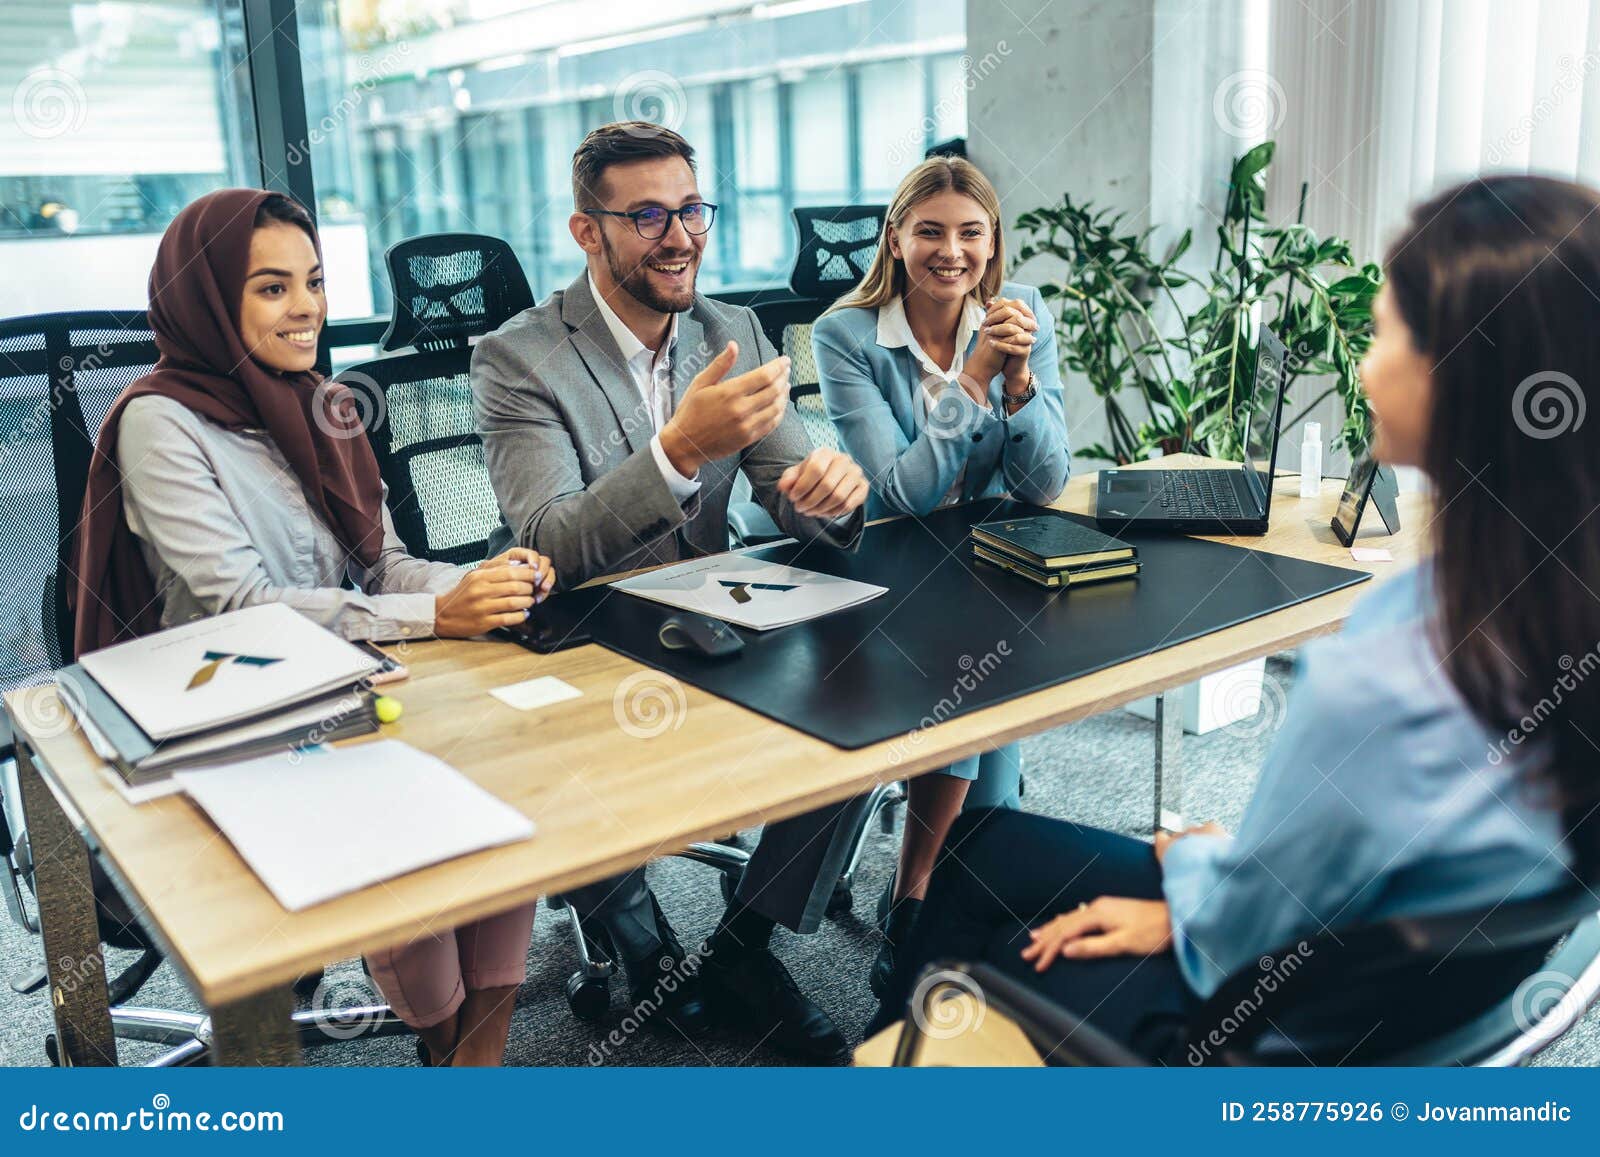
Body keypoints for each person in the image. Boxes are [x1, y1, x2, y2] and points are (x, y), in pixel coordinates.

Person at [867, 173, 1600, 1057]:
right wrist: (1226, 867)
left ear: (1466, 376)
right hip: (1383, 998)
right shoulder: (1553, 606)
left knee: (988, 895)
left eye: (1385, 331)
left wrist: (1193, 871)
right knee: (983, 840)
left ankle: (903, 1072)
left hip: (1241, 1028)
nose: (1363, 364)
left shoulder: (1387, 670)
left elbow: (1254, 917)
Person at [70, 188, 556, 1066]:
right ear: (209, 299)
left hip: (359, 683)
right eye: (270, 287)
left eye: (315, 282)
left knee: (504, 795)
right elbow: (241, 606)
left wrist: (478, 580)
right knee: (406, 851)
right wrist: (433, 613)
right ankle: (459, 1053)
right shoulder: (159, 421)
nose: (305, 308)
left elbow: (382, 565)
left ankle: (472, 1068)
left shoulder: (327, 403)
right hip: (233, 710)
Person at [472, 123, 870, 1064]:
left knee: (872, 698)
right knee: (576, 739)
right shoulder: (518, 357)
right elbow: (550, 542)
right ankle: (640, 945)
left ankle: (744, 943)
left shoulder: (728, 331)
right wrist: (679, 448)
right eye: (646, 214)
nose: (680, 234)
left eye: (691, 208)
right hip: (573, 625)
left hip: (709, 610)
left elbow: (791, 480)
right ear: (587, 230)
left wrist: (831, 496)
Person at [811, 156, 1070, 997]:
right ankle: (918, 900)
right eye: (930, 231)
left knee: (989, 779)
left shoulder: (1021, 315)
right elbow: (899, 494)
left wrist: (1023, 381)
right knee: (984, 746)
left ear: (993, 245)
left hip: (990, 569)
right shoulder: (847, 336)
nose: (950, 251)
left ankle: (930, 903)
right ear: (896, 237)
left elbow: (1045, 484)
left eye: (970, 233)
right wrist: (970, 383)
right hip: (891, 574)